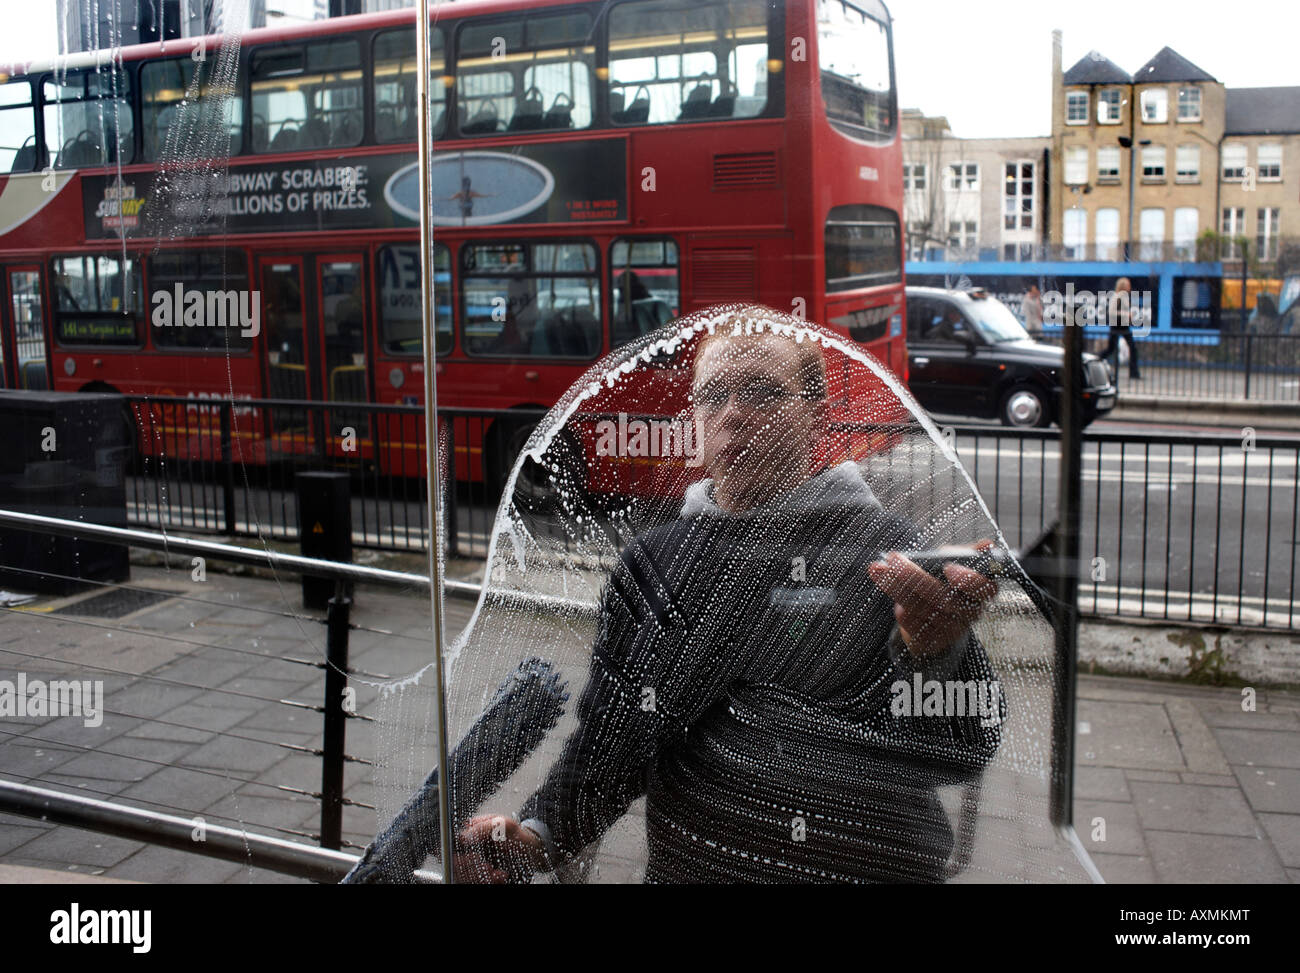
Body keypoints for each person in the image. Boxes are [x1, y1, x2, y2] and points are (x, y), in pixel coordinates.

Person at [456, 314, 1003, 883]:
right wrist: (542, 834)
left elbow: (966, 744)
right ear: (693, 419)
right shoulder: (654, 567)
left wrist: (938, 654)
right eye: (711, 396)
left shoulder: (886, 554)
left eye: (762, 393)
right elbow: (611, 736)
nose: (733, 414)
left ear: (816, 414)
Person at [1104, 277, 1141, 380]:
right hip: (1117, 326)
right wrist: (1126, 314)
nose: (1130, 287)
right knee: (1111, 349)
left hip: (1123, 326)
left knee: (1132, 348)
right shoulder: (1117, 297)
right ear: (1123, 286)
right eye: (1128, 285)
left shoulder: (1123, 297)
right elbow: (1111, 312)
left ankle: (1134, 373)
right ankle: (1096, 360)